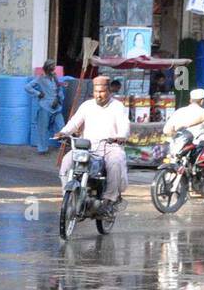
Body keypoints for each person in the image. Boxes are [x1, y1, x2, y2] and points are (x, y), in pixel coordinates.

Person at [54, 74, 129, 207]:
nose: (98, 95)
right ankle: (68, 195)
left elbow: (124, 126)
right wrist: (63, 132)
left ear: (109, 92)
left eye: (102, 92)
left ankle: (109, 198)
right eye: (96, 92)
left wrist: (120, 136)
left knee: (115, 162)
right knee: (66, 162)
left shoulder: (118, 106)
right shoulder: (87, 105)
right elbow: (74, 123)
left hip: (110, 147)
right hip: (87, 148)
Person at [24, 61, 64, 154]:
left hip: (56, 107)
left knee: (61, 126)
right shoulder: (40, 78)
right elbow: (27, 87)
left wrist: (58, 99)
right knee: (43, 128)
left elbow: (59, 90)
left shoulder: (55, 78)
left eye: (53, 66)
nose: (53, 68)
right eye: (51, 66)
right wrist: (38, 93)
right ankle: (42, 149)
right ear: (46, 68)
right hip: (45, 106)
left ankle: (63, 147)